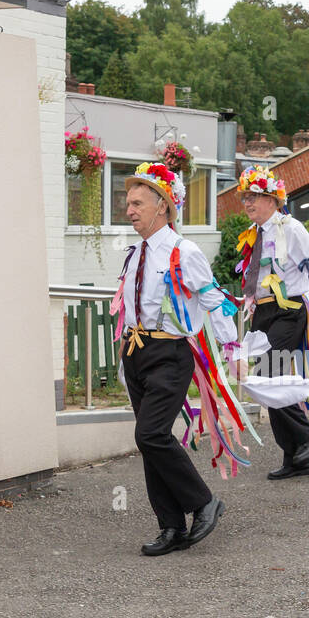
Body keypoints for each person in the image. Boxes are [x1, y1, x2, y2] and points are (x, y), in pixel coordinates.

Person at [112, 162, 245, 556]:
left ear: (163, 207)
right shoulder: (135, 253)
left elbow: (214, 300)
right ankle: (170, 526)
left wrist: (232, 349)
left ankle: (203, 501)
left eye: (137, 203)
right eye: (128, 202)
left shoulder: (184, 252)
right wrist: (124, 358)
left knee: (149, 434)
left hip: (170, 353)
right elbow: (131, 307)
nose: (129, 209)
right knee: (152, 442)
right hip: (137, 352)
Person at [233, 165, 309, 480]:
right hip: (265, 312)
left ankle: (305, 434)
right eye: (245, 198)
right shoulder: (255, 235)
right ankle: (296, 459)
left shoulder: (290, 228)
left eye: (254, 197)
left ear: (272, 199)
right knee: (271, 379)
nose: (248, 203)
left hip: (290, 309)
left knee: (266, 374)